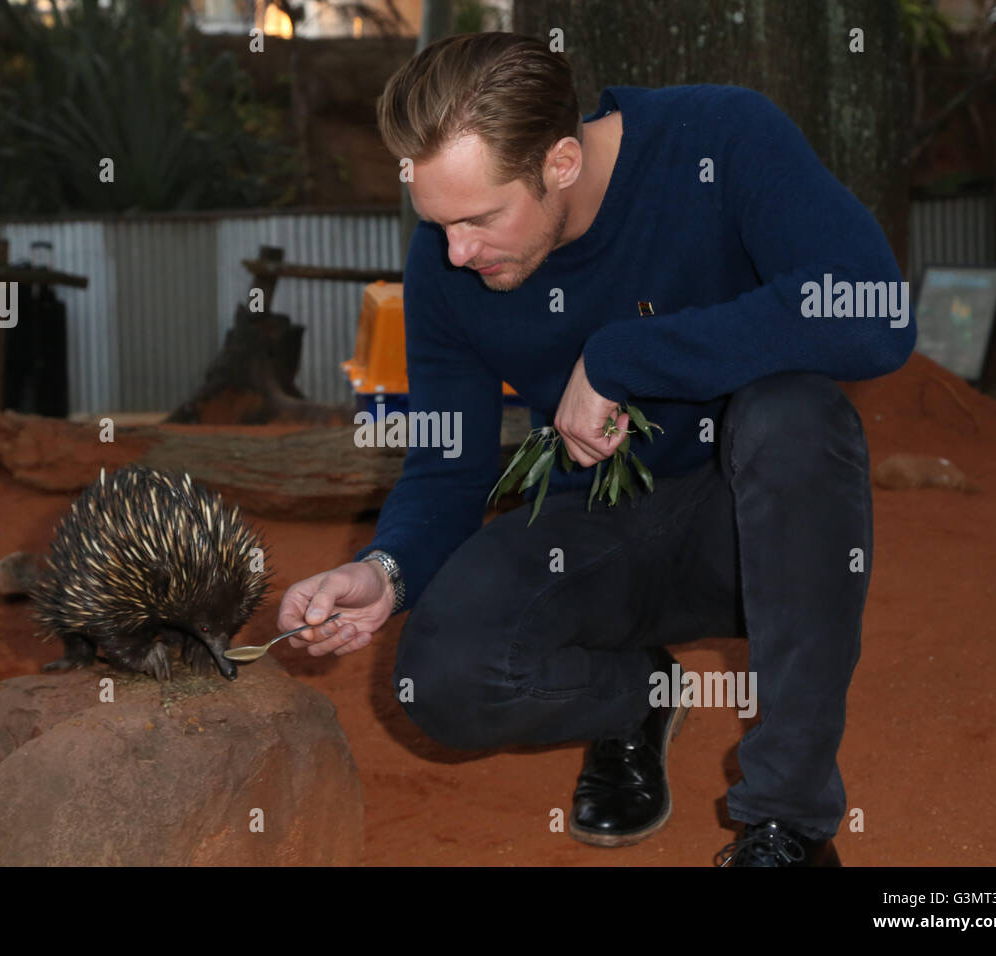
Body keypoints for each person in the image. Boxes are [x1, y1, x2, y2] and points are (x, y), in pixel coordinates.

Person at [276, 31, 914, 867]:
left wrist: (622, 355)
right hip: (606, 530)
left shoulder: (719, 137)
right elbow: (449, 464)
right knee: (440, 676)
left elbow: (873, 312)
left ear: (563, 162)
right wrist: (385, 570)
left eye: (478, 218)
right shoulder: (446, 260)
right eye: (438, 222)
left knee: (793, 414)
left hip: (761, 525)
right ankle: (634, 701)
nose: (456, 253)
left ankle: (787, 825)